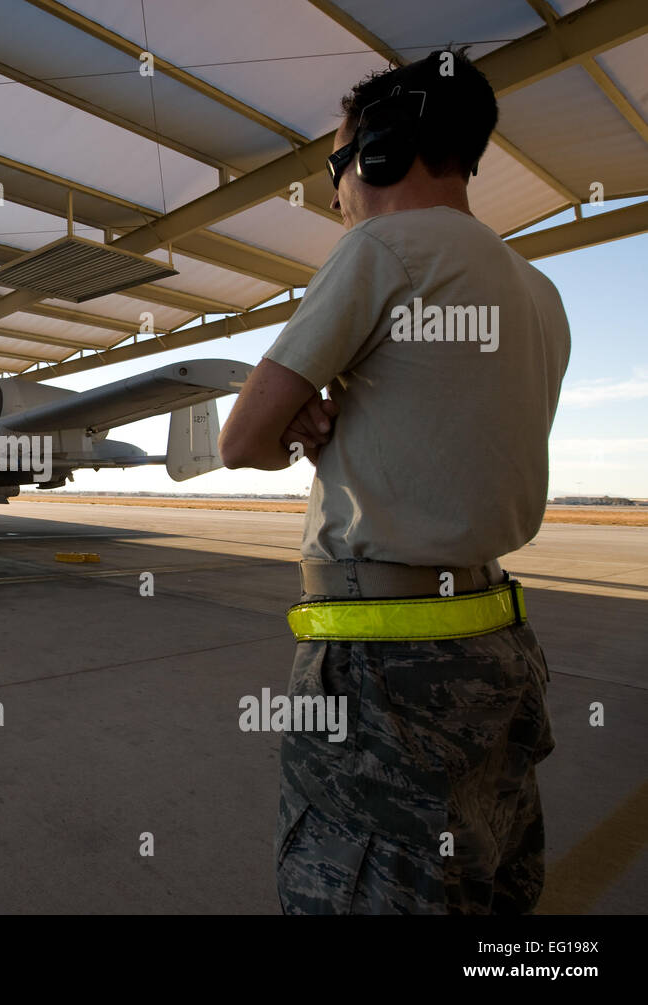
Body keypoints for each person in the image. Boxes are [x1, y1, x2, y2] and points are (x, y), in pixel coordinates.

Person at [218, 49, 570, 914]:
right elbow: (444, 428)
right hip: (498, 651)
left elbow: (240, 441)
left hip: (386, 675)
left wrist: (288, 427)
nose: (338, 195)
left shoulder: (381, 248)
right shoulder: (538, 291)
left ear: (377, 149)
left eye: (336, 167)